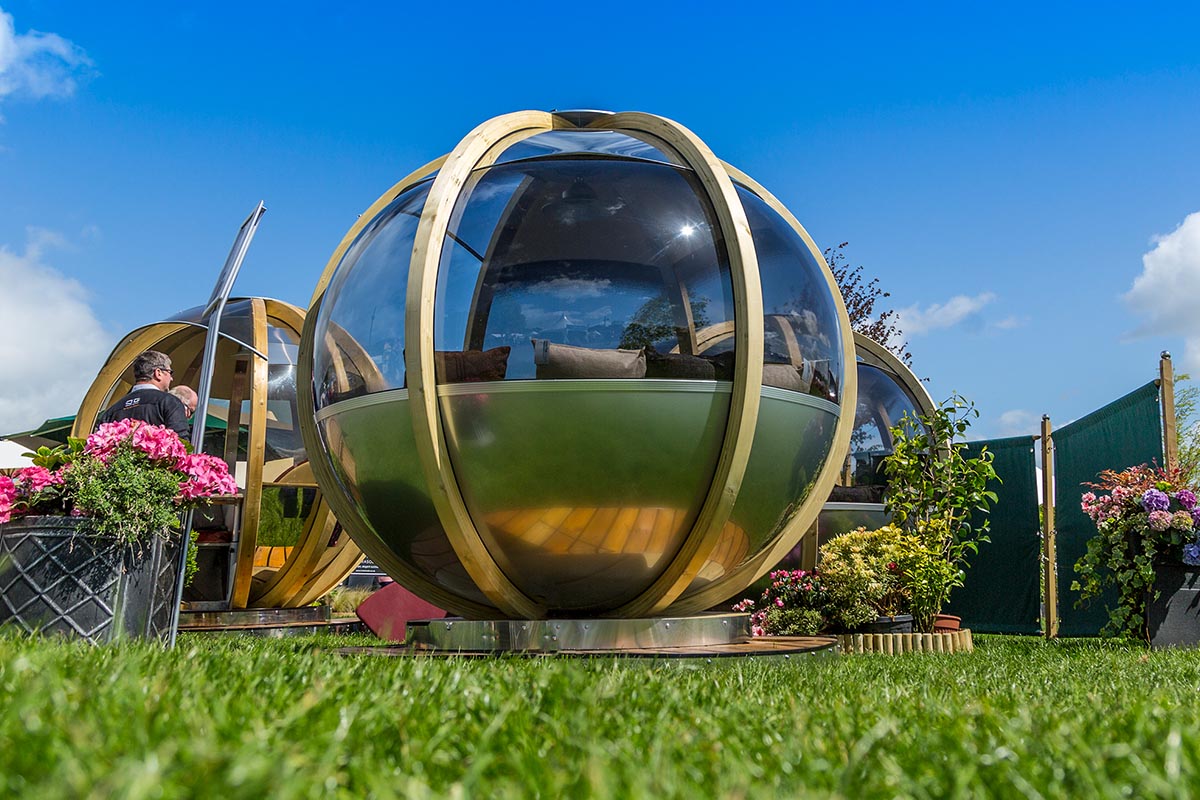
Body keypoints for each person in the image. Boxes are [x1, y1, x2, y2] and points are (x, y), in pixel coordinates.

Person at [98, 350, 191, 440]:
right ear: (158, 373)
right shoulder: (170, 402)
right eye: (170, 372)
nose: (171, 378)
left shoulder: (111, 411)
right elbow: (180, 442)